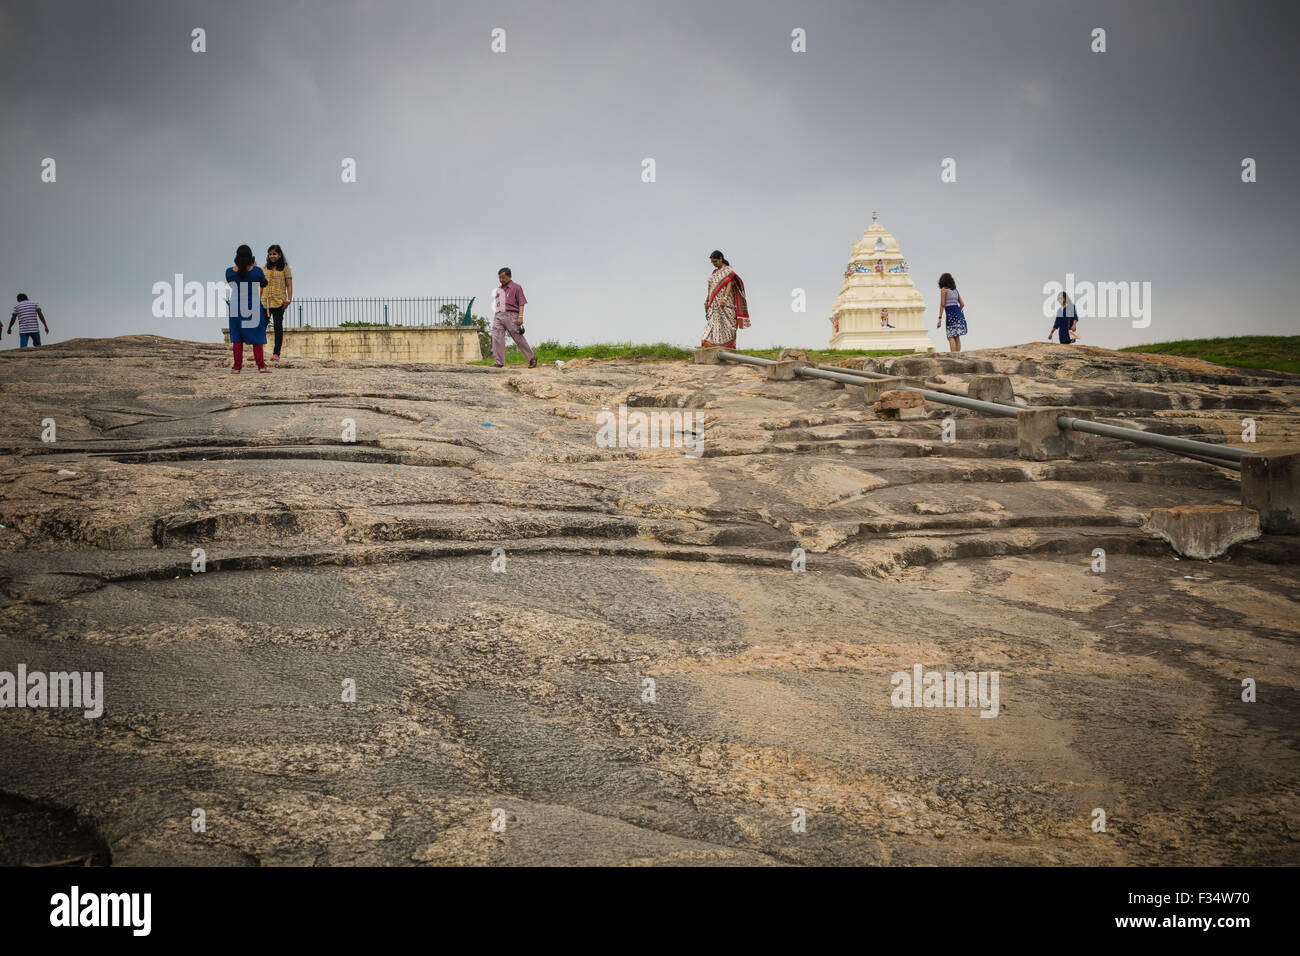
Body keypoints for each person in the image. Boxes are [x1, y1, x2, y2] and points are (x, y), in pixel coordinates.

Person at [226, 245, 269, 373]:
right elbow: (264, 283)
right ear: (251, 257)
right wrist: (255, 266)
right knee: (257, 336)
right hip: (253, 305)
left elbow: (231, 281)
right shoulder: (257, 271)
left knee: (237, 337)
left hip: (236, 306)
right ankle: (261, 366)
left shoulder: (229, 272)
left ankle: (237, 367)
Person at [702, 250, 749, 348]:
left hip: (725, 303)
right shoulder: (714, 273)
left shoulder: (728, 270)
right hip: (714, 304)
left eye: (715, 262)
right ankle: (714, 345)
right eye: (712, 262)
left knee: (728, 325)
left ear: (721, 259)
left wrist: (725, 298)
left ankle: (728, 347)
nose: (714, 264)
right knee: (713, 324)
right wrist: (707, 300)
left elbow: (729, 284)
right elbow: (711, 288)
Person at [492, 267, 536, 368]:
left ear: (510, 276)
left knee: (518, 338)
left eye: (503, 277)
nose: (501, 279)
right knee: (496, 338)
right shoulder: (499, 289)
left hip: (512, 315)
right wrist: (495, 314)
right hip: (499, 315)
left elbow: (521, 303)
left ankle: (532, 358)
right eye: (499, 278)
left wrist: (520, 316)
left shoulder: (517, 287)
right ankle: (499, 362)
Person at [261, 244, 293, 360]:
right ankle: (257, 353)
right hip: (265, 302)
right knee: (260, 329)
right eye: (270, 254)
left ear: (279, 255)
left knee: (278, 328)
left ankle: (276, 354)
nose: (272, 256)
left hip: (279, 302)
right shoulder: (264, 269)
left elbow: (289, 285)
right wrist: (259, 299)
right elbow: (261, 286)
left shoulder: (285, 268)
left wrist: (288, 300)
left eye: (274, 254)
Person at [935, 272, 967, 352]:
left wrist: (940, 318)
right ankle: (958, 355)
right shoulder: (955, 290)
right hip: (958, 312)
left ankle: (953, 355)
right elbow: (962, 304)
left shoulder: (944, 290)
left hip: (950, 314)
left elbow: (942, 304)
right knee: (956, 336)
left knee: (950, 336)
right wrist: (958, 312)